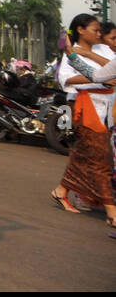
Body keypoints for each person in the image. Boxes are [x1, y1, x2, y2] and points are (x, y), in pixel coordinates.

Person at [51, 14, 116, 226]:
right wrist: (74, 55)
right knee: (101, 159)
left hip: (108, 108)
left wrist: (89, 56)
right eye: (96, 30)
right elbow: (69, 79)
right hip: (88, 107)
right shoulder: (72, 54)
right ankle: (112, 212)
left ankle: (61, 190)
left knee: (82, 154)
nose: (100, 35)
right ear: (81, 30)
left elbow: (108, 72)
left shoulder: (103, 49)